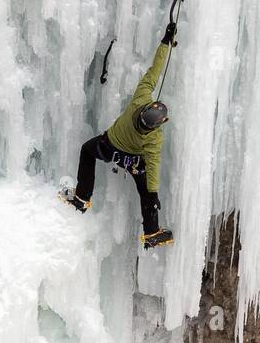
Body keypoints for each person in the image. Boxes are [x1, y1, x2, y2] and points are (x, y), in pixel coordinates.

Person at [61, 20, 177, 249]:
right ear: (156, 126)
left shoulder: (141, 98)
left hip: (109, 146)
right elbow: (153, 167)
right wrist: (152, 195)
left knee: (87, 151)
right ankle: (152, 232)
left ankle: (82, 198)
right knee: (145, 190)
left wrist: (165, 41)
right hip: (133, 160)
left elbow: (154, 71)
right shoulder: (154, 139)